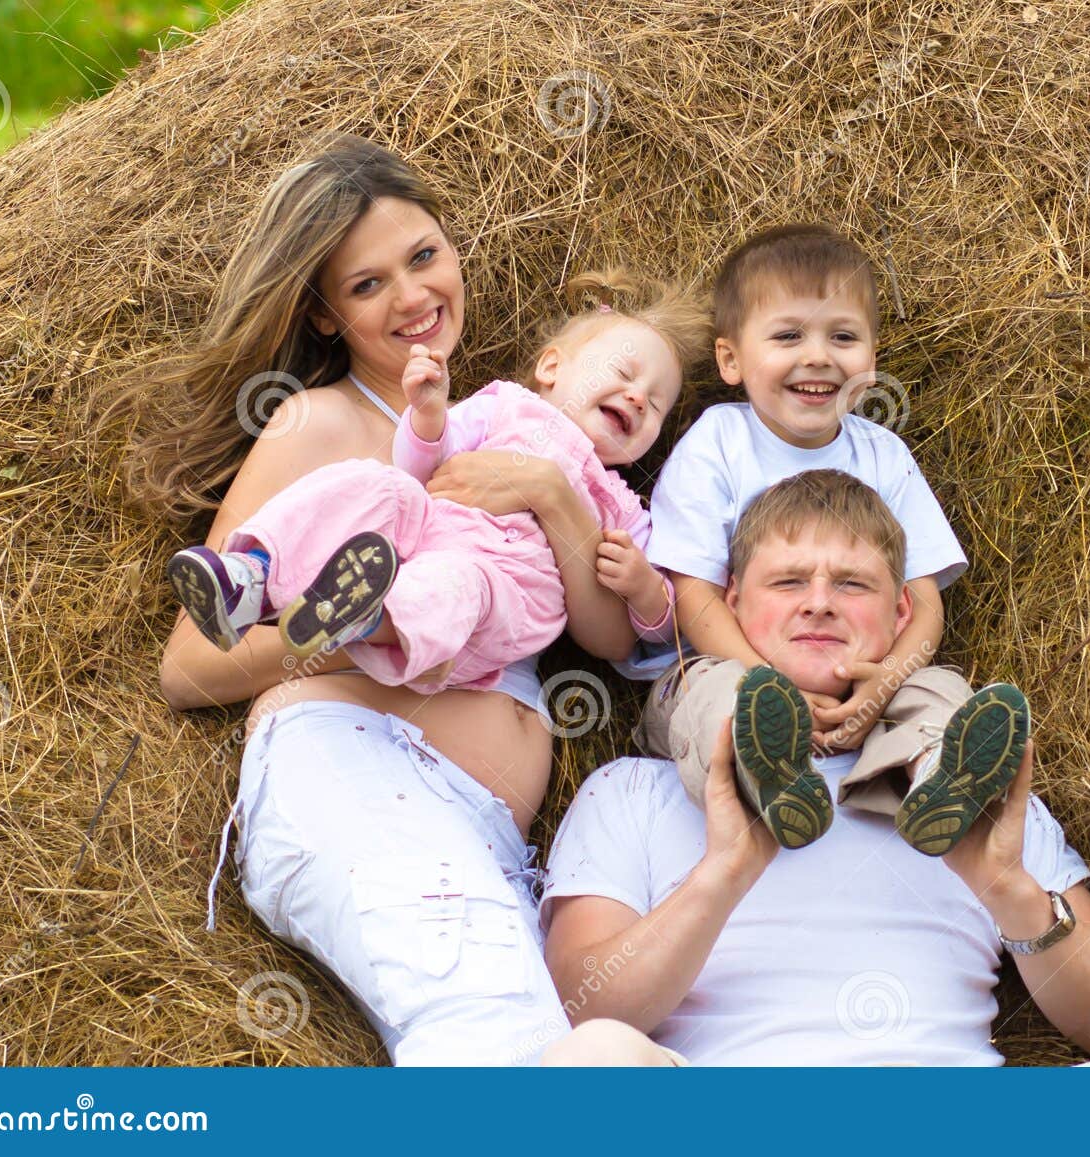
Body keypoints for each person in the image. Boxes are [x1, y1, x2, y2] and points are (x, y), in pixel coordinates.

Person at [112, 133, 683, 1064]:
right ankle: (299, 585)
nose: (414, 296)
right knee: (513, 1048)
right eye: (369, 284)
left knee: (535, 1047)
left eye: (423, 256)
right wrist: (361, 639)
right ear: (329, 315)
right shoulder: (319, 422)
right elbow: (187, 668)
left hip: (469, 831)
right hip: (357, 772)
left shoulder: (499, 421)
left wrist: (551, 497)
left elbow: (619, 639)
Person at [539, 471, 1090, 1067]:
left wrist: (1009, 889)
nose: (821, 604)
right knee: (591, 1060)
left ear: (903, 615)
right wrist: (724, 874)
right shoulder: (632, 791)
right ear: (732, 604)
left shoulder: (972, 777)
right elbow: (581, 1010)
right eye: (789, 581)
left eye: (853, 584)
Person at [638, 224, 1028, 856]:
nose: (818, 356)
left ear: (870, 360)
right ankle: (771, 772)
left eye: (842, 337)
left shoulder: (884, 454)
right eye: (788, 336)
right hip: (729, 664)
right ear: (731, 360)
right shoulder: (718, 443)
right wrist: (768, 686)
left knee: (941, 694)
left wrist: (883, 686)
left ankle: (938, 779)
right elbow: (695, 597)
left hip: (862, 674)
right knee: (709, 699)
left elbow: (923, 605)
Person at [165, 264, 703, 693]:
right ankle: (254, 576)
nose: (637, 398)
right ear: (552, 368)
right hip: (429, 529)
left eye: (656, 405)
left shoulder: (618, 503)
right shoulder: (501, 406)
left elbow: (655, 630)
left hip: (507, 590)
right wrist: (426, 416)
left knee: (458, 584)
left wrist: (644, 590)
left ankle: (360, 619)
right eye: (624, 374)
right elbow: (422, 468)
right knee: (378, 484)